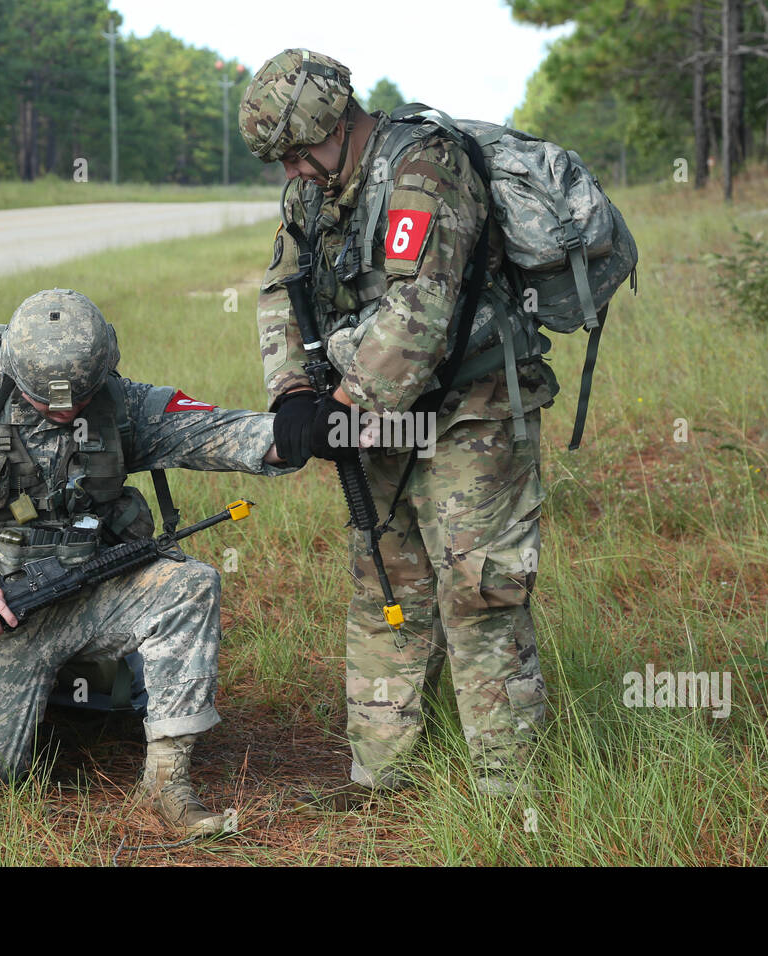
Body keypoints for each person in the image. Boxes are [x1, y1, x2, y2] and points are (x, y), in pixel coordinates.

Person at [239, 50, 559, 804]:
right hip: (381, 422)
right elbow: (281, 289)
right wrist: (292, 393)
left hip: (470, 415)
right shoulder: (311, 194)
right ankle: (382, 777)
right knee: (387, 589)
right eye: (280, 160)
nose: (293, 171)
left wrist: (343, 410)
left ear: (335, 124)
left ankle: (509, 799)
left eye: (297, 152)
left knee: (481, 594)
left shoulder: (426, 168)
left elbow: (422, 310)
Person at [0, 288, 293, 837]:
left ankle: (166, 789)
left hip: (89, 595)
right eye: (48, 402)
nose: (66, 411)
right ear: (18, 376)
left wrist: (302, 431)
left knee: (189, 585)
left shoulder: (119, 402)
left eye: (80, 397)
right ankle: (60, 696)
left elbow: (215, 430)